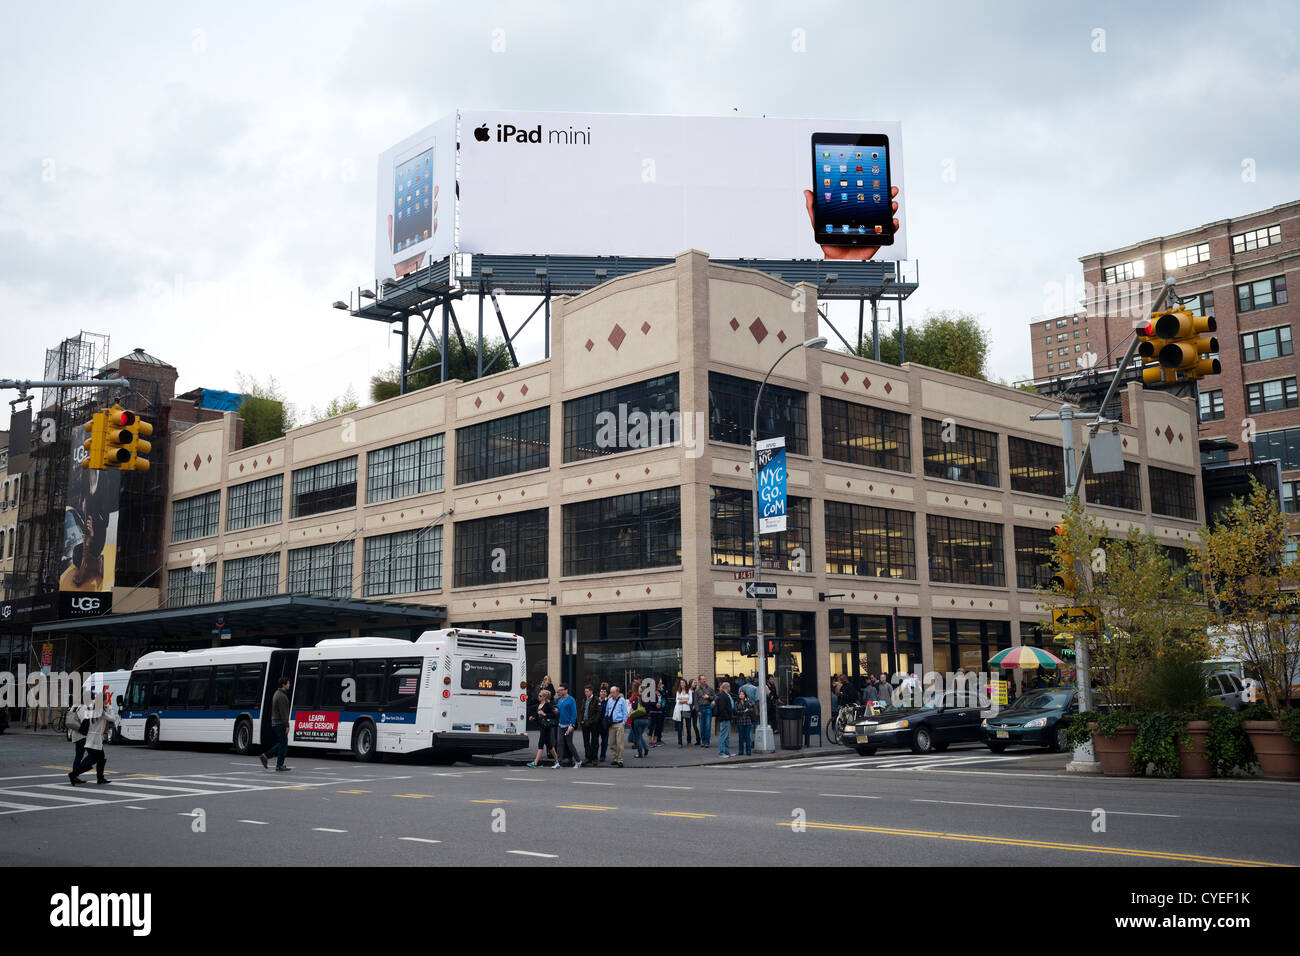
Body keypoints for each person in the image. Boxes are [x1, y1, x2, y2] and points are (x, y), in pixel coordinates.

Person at [69, 689, 117, 786]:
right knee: (97, 759)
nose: (106, 702)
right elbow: (113, 718)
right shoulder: (100, 712)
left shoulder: (92, 711)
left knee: (100, 759)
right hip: (95, 740)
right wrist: (110, 707)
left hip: (91, 739)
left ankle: (100, 778)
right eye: (105, 701)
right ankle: (74, 774)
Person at [258, 677, 293, 772]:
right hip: (280, 722)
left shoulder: (277, 693)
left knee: (282, 743)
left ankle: (275, 762)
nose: (289, 685)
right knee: (283, 744)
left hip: (276, 722)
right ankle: (272, 761)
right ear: (283, 685)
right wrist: (287, 725)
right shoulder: (281, 696)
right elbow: (283, 712)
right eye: (288, 683)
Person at [527, 689, 558, 768]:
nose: (538, 697)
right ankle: (558, 761)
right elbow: (537, 716)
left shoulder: (547, 705)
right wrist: (533, 718)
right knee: (549, 745)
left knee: (540, 744)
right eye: (538, 695)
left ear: (544, 697)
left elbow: (553, 715)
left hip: (546, 727)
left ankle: (535, 763)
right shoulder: (539, 704)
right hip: (541, 726)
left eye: (540, 696)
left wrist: (544, 714)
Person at [554, 684, 581, 769]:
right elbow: (560, 713)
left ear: (566, 690)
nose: (560, 692)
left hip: (568, 725)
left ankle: (578, 761)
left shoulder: (571, 700)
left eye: (561, 690)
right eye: (559, 690)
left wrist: (571, 724)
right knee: (559, 743)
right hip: (560, 725)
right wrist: (556, 712)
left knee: (569, 744)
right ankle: (559, 762)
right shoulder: (559, 700)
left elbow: (574, 713)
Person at [605, 685, 630, 767]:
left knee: (620, 743)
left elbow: (625, 713)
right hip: (611, 724)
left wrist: (623, 723)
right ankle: (614, 758)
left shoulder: (622, 700)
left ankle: (620, 760)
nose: (611, 694)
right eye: (611, 692)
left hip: (619, 723)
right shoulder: (609, 701)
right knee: (612, 743)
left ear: (617, 692)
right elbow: (607, 711)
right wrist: (607, 719)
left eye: (613, 692)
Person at [580, 685, 602, 766]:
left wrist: (593, 721)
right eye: (585, 691)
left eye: (587, 691)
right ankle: (588, 757)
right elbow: (582, 711)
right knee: (586, 741)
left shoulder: (596, 699)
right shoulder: (584, 700)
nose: (586, 693)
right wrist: (581, 720)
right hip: (584, 723)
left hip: (593, 724)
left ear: (591, 691)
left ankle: (595, 758)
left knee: (594, 741)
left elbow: (599, 712)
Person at [714, 681, 735, 757]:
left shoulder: (723, 695)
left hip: (726, 718)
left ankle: (726, 752)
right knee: (723, 736)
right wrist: (728, 717)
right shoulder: (724, 696)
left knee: (726, 736)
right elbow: (723, 709)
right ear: (728, 687)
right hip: (725, 719)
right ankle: (721, 752)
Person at [735, 689, 756, 756]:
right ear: (739, 695)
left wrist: (747, 703)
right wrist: (744, 711)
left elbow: (751, 710)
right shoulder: (737, 703)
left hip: (747, 721)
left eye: (743, 694)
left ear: (745, 695)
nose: (741, 695)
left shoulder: (748, 702)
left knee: (747, 737)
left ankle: (748, 751)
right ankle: (741, 751)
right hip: (740, 722)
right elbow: (736, 712)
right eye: (740, 694)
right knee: (741, 737)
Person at [696, 675, 714, 748]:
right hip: (701, 708)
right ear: (699, 681)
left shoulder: (710, 689)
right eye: (702, 679)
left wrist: (709, 697)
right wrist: (698, 711)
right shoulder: (697, 690)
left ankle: (707, 742)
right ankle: (703, 741)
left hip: (708, 708)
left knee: (708, 725)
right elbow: (695, 701)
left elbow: (715, 697)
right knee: (702, 726)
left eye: (705, 679)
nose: (704, 680)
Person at [628, 694, 649, 759]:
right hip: (645, 720)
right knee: (640, 735)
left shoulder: (637, 699)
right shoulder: (647, 699)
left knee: (638, 737)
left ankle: (640, 753)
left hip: (637, 720)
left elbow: (634, 707)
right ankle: (645, 748)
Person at [673, 678, 692, 747]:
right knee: (680, 727)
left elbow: (690, 701)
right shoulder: (678, 692)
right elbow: (677, 701)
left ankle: (689, 741)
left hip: (687, 710)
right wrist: (685, 700)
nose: (682, 684)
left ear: (685, 684)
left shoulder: (689, 691)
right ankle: (680, 743)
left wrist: (682, 700)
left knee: (688, 727)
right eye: (681, 683)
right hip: (679, 711)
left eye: (683, 683)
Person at [598, 683, 611, 762]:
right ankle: (594, 756)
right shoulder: (596, 700)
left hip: (605, 724)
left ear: (606, 693)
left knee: (604, 741)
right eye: (601, 691)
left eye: (604, 692)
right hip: (596, 723)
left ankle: (603, 755)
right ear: (599, 692)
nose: (602, 693)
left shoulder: (609, 701)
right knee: (595, 741)